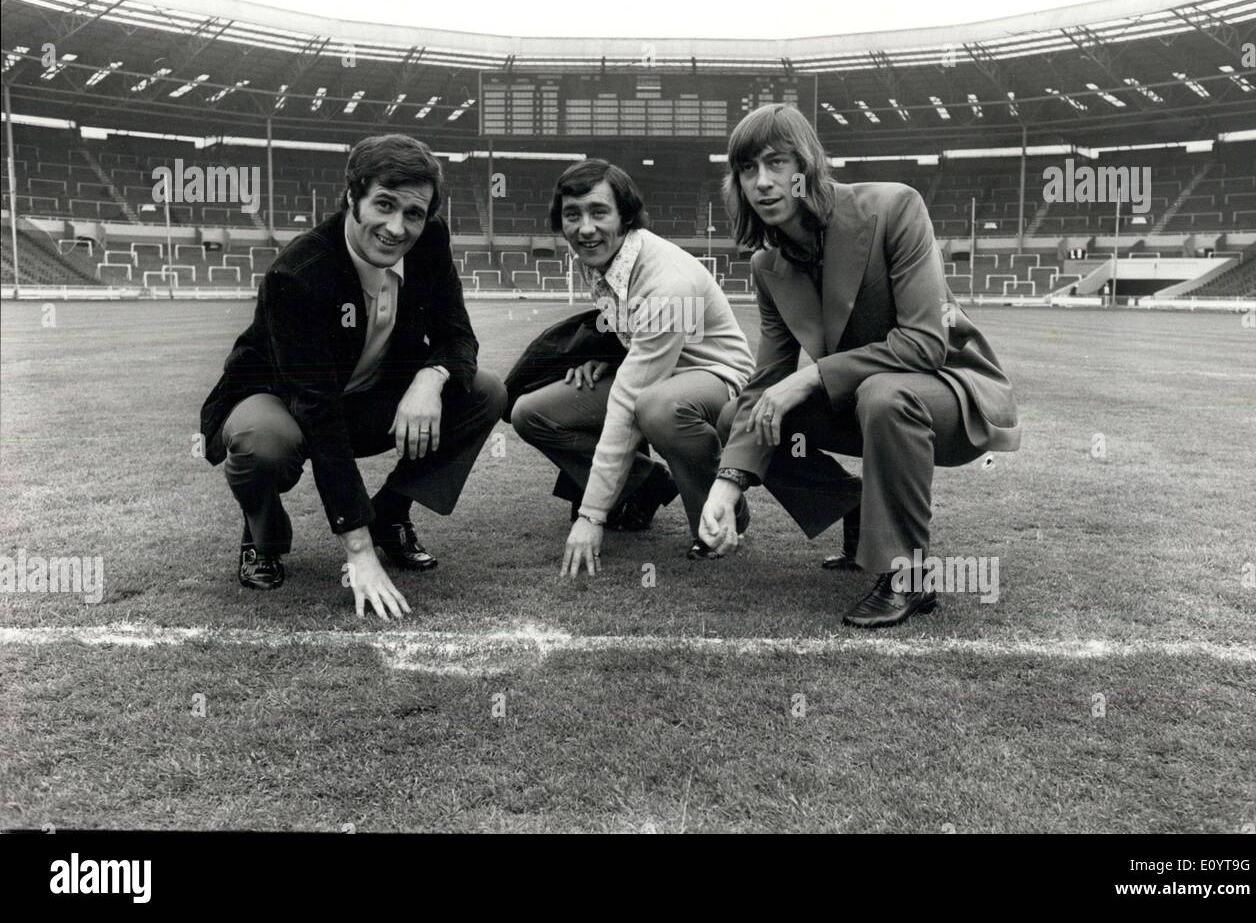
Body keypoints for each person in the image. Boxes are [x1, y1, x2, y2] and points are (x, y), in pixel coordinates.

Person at [696, 104, 1020, 628]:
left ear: (807, 165)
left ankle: (909, 576)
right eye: (747, 169)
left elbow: (923, 343)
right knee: (740, 416)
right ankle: (857, 510)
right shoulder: (767, 266)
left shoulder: (895, 207)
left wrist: (812, 376)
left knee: (885, 394)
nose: (762, 182)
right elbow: (766, 382)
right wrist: (726, 484)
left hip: (952, 397)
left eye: (777, 163)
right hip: (867, 404)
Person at [199, 134, 506, 618]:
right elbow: (315, 408)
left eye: (413, 214)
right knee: (264, 442)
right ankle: (265, 537)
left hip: (369, 399)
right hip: (285, 399)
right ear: (352, 197)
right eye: (383, 204)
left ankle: (392, 514)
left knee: (484, 391)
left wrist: (431, 378)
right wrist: (357, 552)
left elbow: (457, 335)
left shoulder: (432, 243)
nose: (396, 227)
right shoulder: (298, 273)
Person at [510, 159, 755, 576]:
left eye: (598, 212)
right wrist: (604, 359)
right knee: (531, 413)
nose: (585, 228)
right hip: (658, 372)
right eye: (573, 215)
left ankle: (721, 511)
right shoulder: (604, 258)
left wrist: (591, 516)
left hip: (716, 379)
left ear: (625, 215)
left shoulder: (667, 282)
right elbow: (633, 338)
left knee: (655, 407)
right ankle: (646, 484)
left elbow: (629, 400)